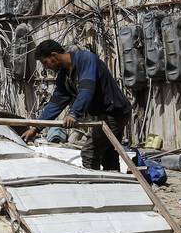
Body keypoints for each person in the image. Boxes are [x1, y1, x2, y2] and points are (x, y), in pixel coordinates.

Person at [21, 39, 131, 171]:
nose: (46, 67)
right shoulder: (63, 75)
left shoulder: (85, 59)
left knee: (89, 153)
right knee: (109, 155)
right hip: (104, 115)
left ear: (54, 55)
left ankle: (94, 186)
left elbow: (87, 89)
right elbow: (55, 103)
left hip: (114, 113)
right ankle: (114, 186)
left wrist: (74, 113)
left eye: (45, 62)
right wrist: (36, 128)